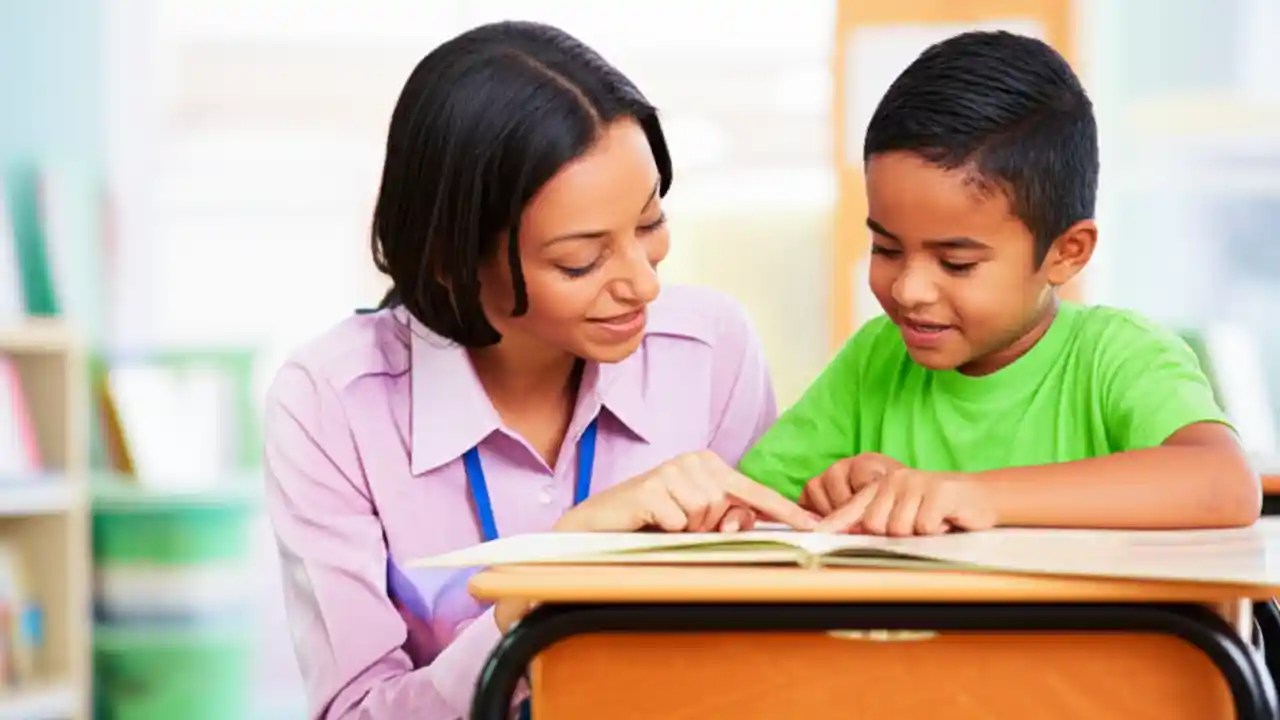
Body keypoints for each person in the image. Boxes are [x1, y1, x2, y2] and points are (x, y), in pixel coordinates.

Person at [262, 20, 814, 720]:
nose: (643, 284)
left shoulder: (709, 350)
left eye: (649, 225)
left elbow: (770, 644)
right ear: (450, 259)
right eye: (581, 260)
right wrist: (554, 570)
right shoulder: (331, 404)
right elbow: (357, 713)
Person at [738, 30, 1260, 536]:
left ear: (1065, 252)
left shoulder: (1116, 356)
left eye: (957, 262)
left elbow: (1226, 484)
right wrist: (818, 498)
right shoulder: (875, 361)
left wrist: (975, 494)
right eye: (887, 249)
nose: (909, 290)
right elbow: (744, 508)